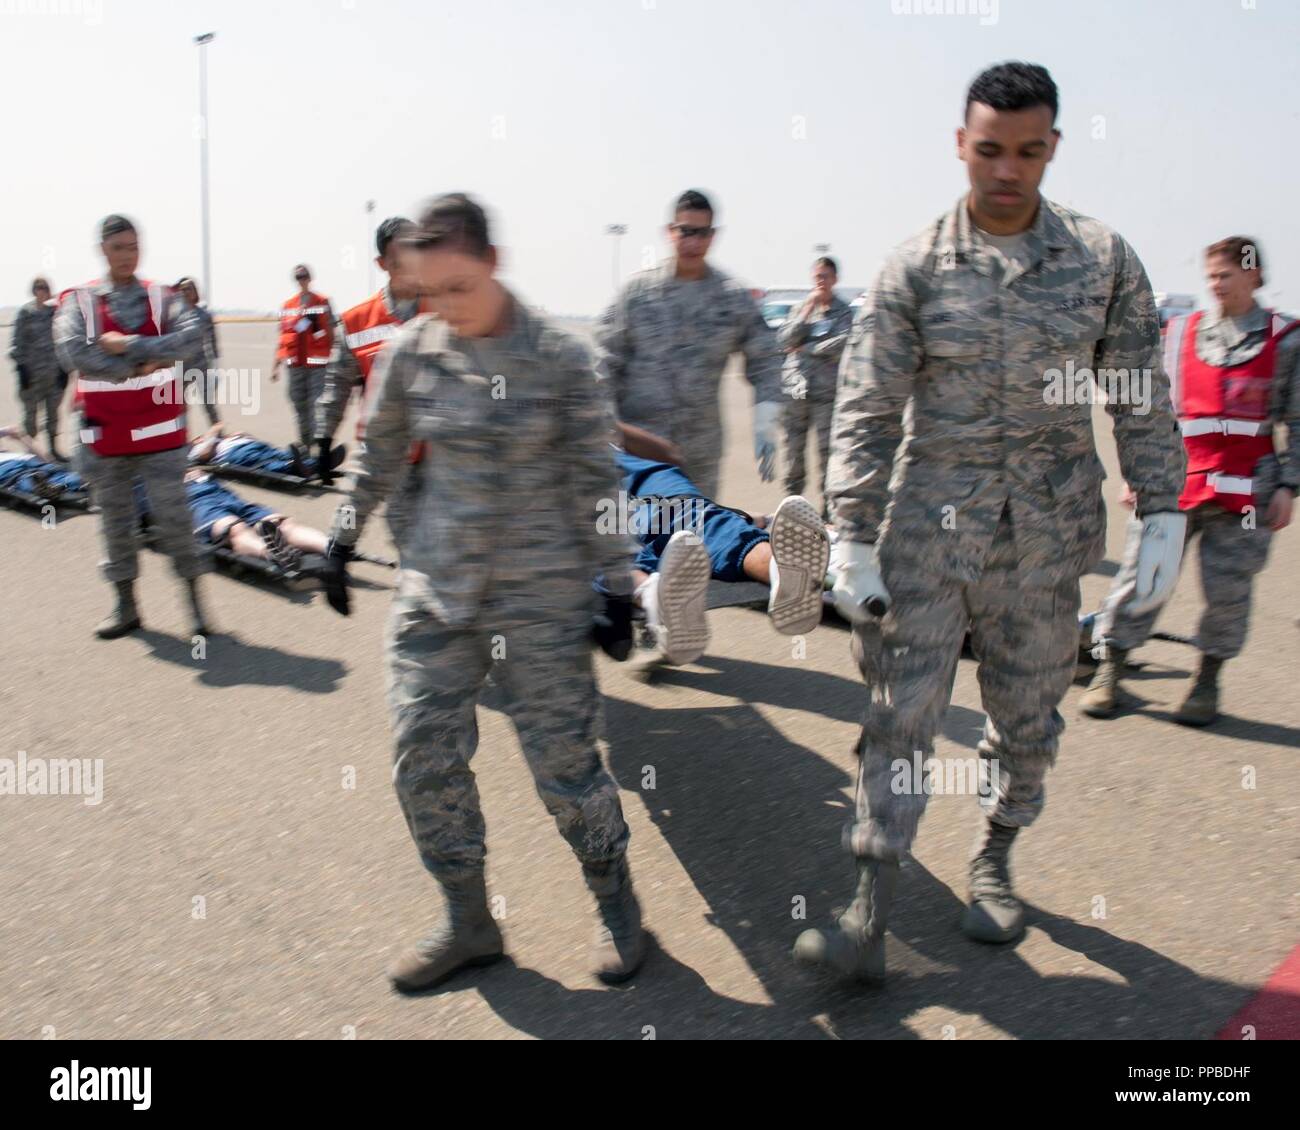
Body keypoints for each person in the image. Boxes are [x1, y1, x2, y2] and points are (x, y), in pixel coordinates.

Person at [793, 62, 1187, 983]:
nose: (1006, 171)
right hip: (927, 530)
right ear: (960, 145)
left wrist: (1163, 506)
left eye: (1026, 151)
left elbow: (1136, 391)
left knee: (1028, 717)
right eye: (988, 150)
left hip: (1046, 542)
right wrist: (849, 530)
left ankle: (996, 857)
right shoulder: (915, 267)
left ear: (1051, 147)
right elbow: (866, 404)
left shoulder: (1102, 260)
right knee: (901, 714)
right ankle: (868, 909)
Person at [321, 193, 646, 991]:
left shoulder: (562, 360)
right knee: (420, 755)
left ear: (493, 264)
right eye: (429, 293)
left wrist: (615, 584)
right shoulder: (411, 352)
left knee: (567, 770)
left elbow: (596, 477)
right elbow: (381, 452)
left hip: (539, 598)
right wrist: (340, 535)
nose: (444, 308)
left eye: (458, 288)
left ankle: (617, 901)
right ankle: (469, 920)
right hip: (438, 589)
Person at [1082, 236, 1298, 726]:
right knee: (1142, 577)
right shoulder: (1178, 334)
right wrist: (1138, 472)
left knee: (1229, 593)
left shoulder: (1288, 340)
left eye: (1227, 274)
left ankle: (1206, 682)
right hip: (1173, 483)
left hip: (1248, 492)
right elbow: (1150, 408)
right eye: (1212, 275)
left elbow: (1298, 421)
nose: (1216, 283)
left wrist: (1289, 484)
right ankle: (1110, 670)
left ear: (1255, 275)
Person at [53, 214, 210, 639]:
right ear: (104, 250)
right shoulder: (80, 302)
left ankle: (194, 604)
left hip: (160, 432)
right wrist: (141, 364)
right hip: (107, 434)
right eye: (119, 247)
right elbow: (74, 354)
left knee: (175, 517)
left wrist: (132, 345)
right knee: (114, 521)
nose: (128, 254)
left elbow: (193, 336)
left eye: (134, 246)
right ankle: (126, 606)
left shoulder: (162, 297)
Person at [595, 188, 783, 499]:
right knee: (639, 540)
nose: (694, 242)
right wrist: (605, 426)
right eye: (685, 232)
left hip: (699, 456)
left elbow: (766, 358)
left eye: (703, 233)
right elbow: (603, 361)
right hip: (639, 452)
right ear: (669, 232)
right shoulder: (637, 294)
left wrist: (765, 418)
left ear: (714, 235)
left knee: (698, 539)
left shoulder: (730, 297)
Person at [599, 441, 831, 665]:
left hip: (612, 461)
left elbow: (668, 456)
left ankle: (784, 571)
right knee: (596, 533)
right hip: (579, 482)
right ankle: (654, 597)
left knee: (693, 514)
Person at [313, 217, 426, 485]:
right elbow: (336, 389)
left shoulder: (452, 310)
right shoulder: (355, 322)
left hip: (445, 460)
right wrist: (324, 442)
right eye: (400, 258)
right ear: (382, 264)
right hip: (388, 460)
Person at [778, 257, 854, 505]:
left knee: (827, 452)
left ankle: (827, 508)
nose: (821, 281)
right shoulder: (801, 308)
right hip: (796, 390)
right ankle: (793, 502)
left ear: (835, 279)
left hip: (826, 392)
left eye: (826, 276)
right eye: (817, 276)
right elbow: (787, 340)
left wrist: (808, 348)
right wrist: (807, 310)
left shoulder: (843, 311)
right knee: (792, 451)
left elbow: (842, 342)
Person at [272, 265, 333, 447]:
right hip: (294, 364)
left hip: (317, 364)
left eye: (304, 276)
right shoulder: (288, 306)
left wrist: (334, 359)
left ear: (310, 278)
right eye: (298, 277)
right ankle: (305, 444)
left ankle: (319, 446)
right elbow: (283, 338)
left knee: (317, 406)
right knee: (299, 406)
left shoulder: (322, 301)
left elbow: (330, 332)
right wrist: (275, 366)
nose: (302, 280)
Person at [9, 277, 66, 460]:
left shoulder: (55, 312)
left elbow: (64, 340)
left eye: (45, 288)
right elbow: (16, 344)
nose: (42, 291)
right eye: (38, 288)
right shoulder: (25, 313)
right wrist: (21, 369)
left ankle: (53, 450)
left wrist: (65, 369)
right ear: (33, 291)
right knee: (30, 419)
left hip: (53, 375)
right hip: (32, 377)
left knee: (53, 416)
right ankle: (30, 453)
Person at [188, 423, 345, 479]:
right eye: (198, 438)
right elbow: (204, 456)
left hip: (251, 445)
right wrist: (213, 433)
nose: (200, 437)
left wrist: (240, 434)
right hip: (235, 454)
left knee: (281, 454)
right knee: (263, 462)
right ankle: (293, 468)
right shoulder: (196, 449)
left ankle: (320, 463)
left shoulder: (216, 439)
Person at [174, 277, 221, 426]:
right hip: (181, 366)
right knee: (177, 404)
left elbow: (213, 342)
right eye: (182, 290)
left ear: (195, 292)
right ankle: (180, 434)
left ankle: (218, 434)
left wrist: (216, 368)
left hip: (202, 365)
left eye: (189, 289)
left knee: (209, 405)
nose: (185, 292)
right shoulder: (174, 317)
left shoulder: (204, 316)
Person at [0, 425, 84, 499]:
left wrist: (23, 438)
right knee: (25, 479)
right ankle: (48, 488)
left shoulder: (14, 454)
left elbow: (48, 460)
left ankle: (66, 484)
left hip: (30, 462)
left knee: (55, 471)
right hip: (11, 469)